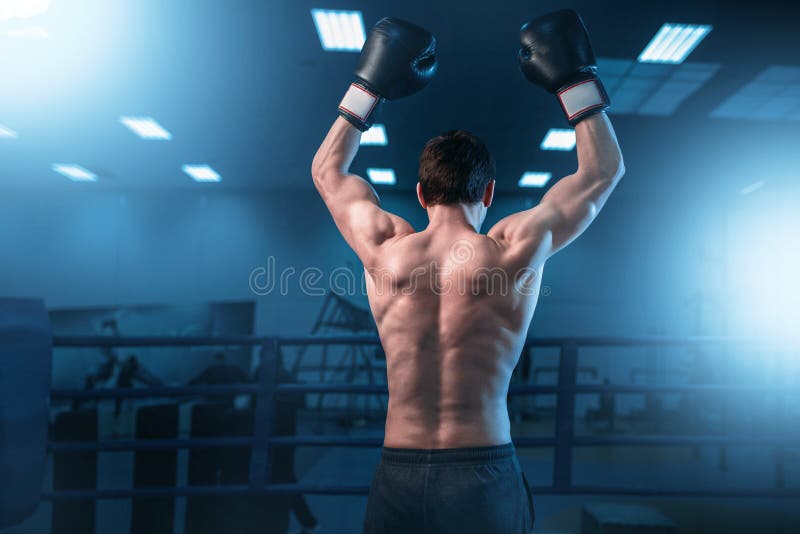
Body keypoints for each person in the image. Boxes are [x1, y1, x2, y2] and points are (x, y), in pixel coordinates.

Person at [311, 10, 624, 534]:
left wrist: (368, 86)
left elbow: (326, 172)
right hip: (481, 471)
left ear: (420, 194)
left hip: (398, 474)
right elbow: (602, 171)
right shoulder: (512, 251)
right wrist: (573, 82)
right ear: (489, 192)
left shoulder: (385, 249)